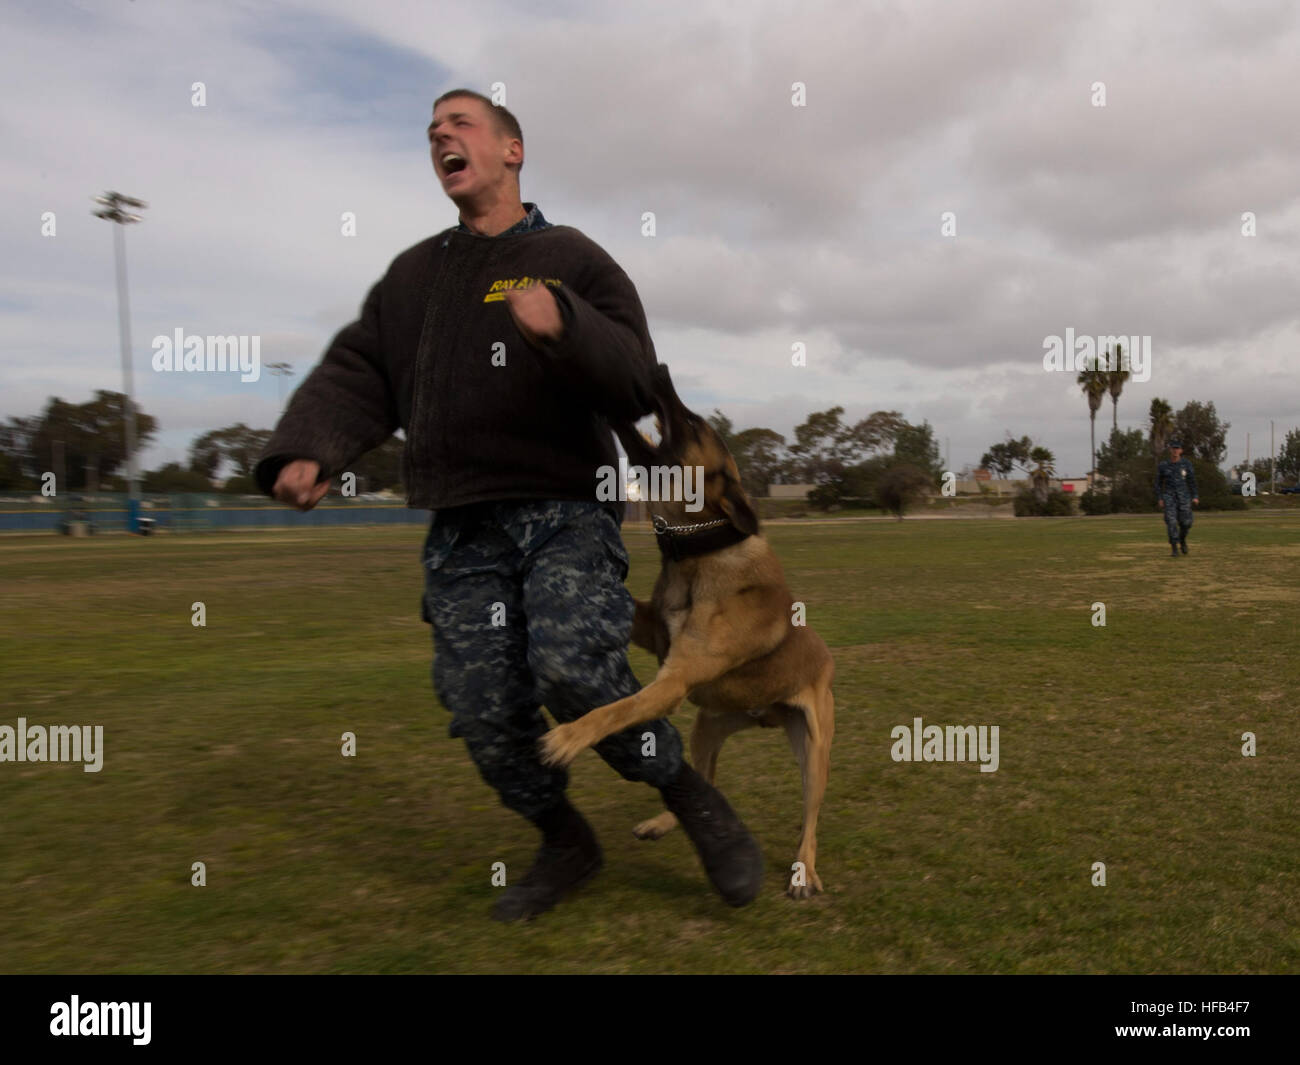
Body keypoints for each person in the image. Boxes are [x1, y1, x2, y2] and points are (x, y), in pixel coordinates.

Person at [253, 89, 763, 921]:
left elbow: (636, 378)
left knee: (573, 667)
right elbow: (361, 371)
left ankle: (687, 794)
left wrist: (565, 324)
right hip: (462, 524)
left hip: (563, 508)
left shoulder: (573, 257)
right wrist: (311, 445)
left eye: (459, 124)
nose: (440, 137)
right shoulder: (414, 277)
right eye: (431, 133)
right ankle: (564, 838)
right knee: (481, 706)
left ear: (512, 150)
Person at [1154, 439, 1198, 556]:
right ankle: (1174, 548)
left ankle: (1182, 539)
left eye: (1177, 448)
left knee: (1186, 523)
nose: (1175, 451)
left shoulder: (1186, 464)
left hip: (1184, 497)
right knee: (1171, 522)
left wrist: (1195, 496)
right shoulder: (1163, 465)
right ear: (1170, 450)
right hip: (1169, 497)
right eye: (1173, 448)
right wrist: (1160, 498)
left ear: (1181, 450)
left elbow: (1192, 481)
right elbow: (1158, 483)